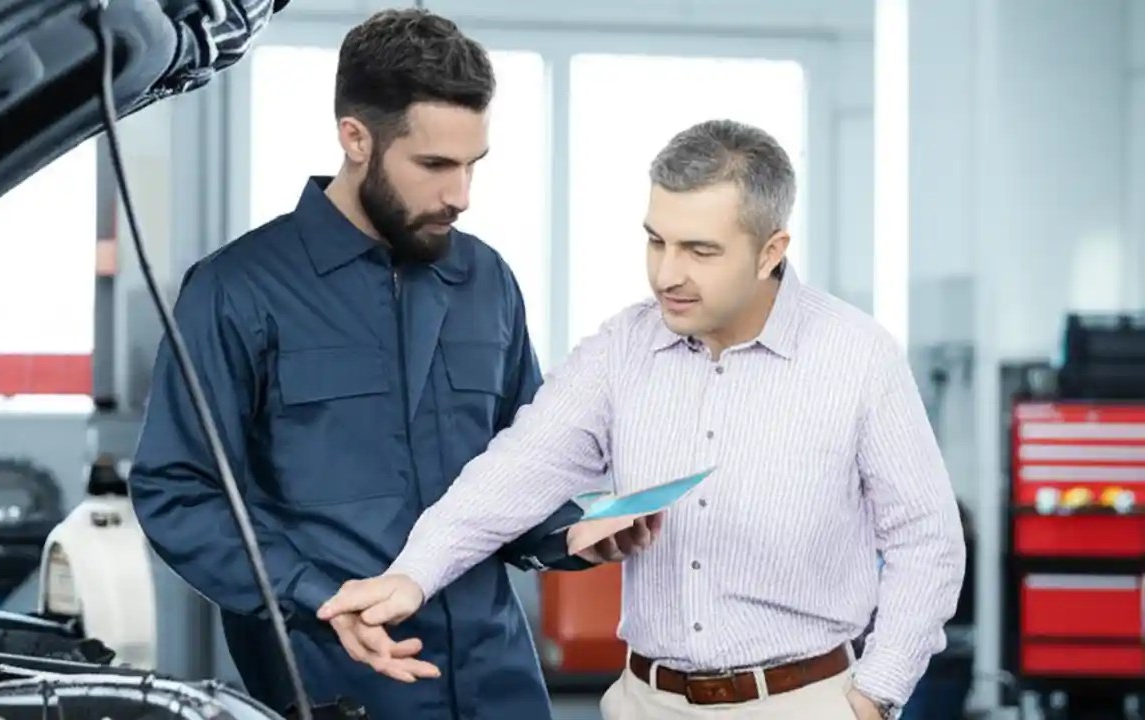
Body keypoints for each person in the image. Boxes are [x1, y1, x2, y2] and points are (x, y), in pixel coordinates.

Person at [318, 118, 968, 720]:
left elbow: (926, 539)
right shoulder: (623, 347)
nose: (667, 274)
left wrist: (878, 693)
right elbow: (517, 470)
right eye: (656, 240)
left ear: (771, 250)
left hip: (803, 701)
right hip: (644, 701)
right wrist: (411, 573)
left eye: (700, 250)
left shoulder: (857, 355)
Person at [128, 9, 656, 720]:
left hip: (497, 681)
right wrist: (314, 593)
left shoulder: (486, 280)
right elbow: (177, 492)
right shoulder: (237, 290)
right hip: (331, 680)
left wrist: (575, 532)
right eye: (435, 166)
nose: (460, 195)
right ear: (356, 139)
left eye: (473, 165)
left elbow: (525, 466)